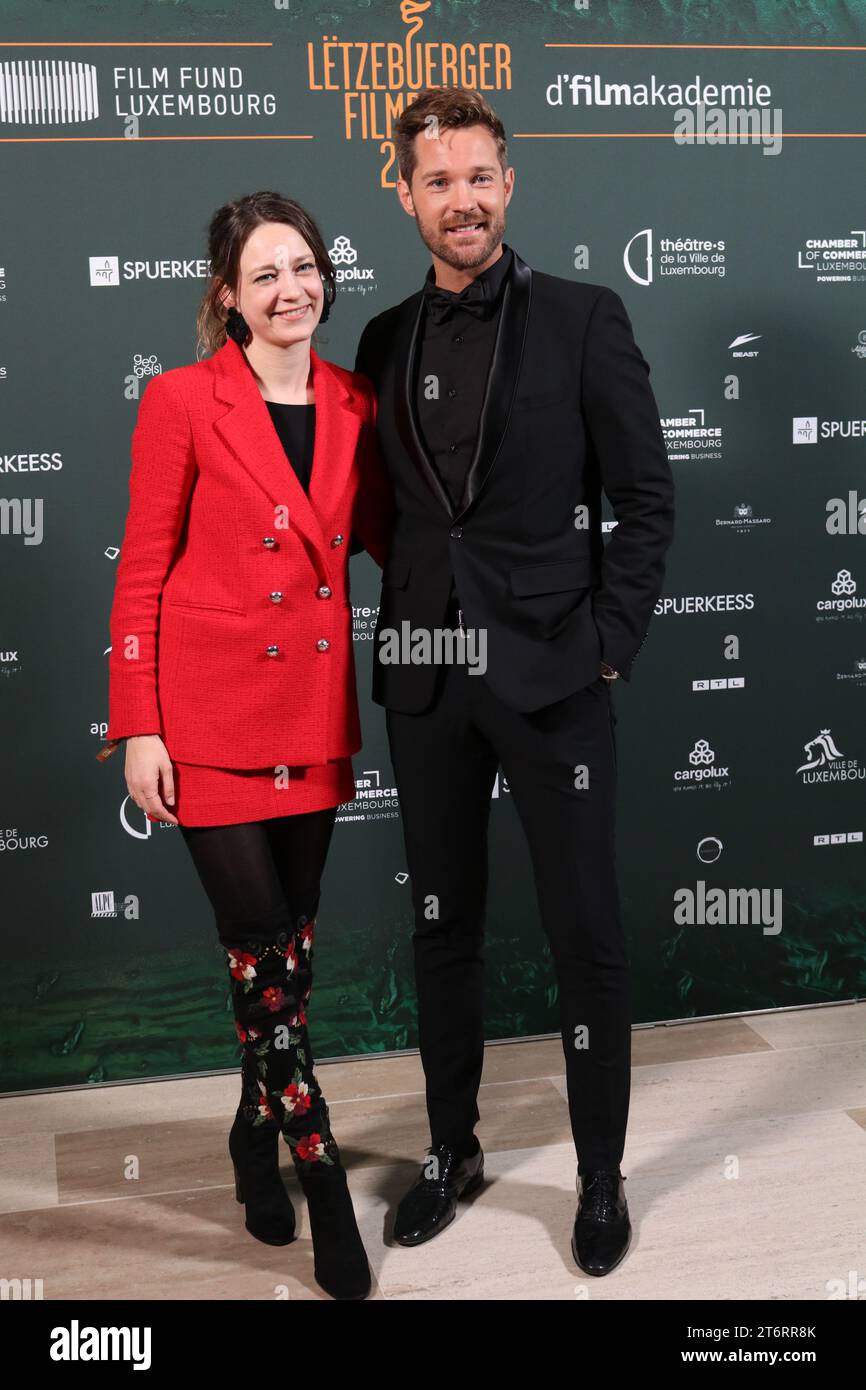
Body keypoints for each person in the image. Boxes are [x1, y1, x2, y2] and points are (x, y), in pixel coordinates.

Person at [355, 88, 675, 1277]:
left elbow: (645, 496)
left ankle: (599, 1172)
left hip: (554, 674)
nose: (463, 200)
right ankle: (451, 1149)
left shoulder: (586, 317)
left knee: (584, 932)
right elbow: (387, 514)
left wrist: (604, 640)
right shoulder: (383, 341)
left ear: (509, 180)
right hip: (429, 675)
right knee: (443, 930)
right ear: (403, 192)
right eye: (437, 181)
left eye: (479, 176)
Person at [100, 191, 393, 1300]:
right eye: (264, 273)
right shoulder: (181, 399)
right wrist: (139, 721)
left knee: (287, 964)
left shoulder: (355, 400)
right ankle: (320, 1182)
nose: (290, 290)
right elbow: (141, 568)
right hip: (209, 721)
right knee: (259, 952)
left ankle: (246, 1129)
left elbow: (384, 534)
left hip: (309, 721)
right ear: (227, 294)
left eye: (304, 267)